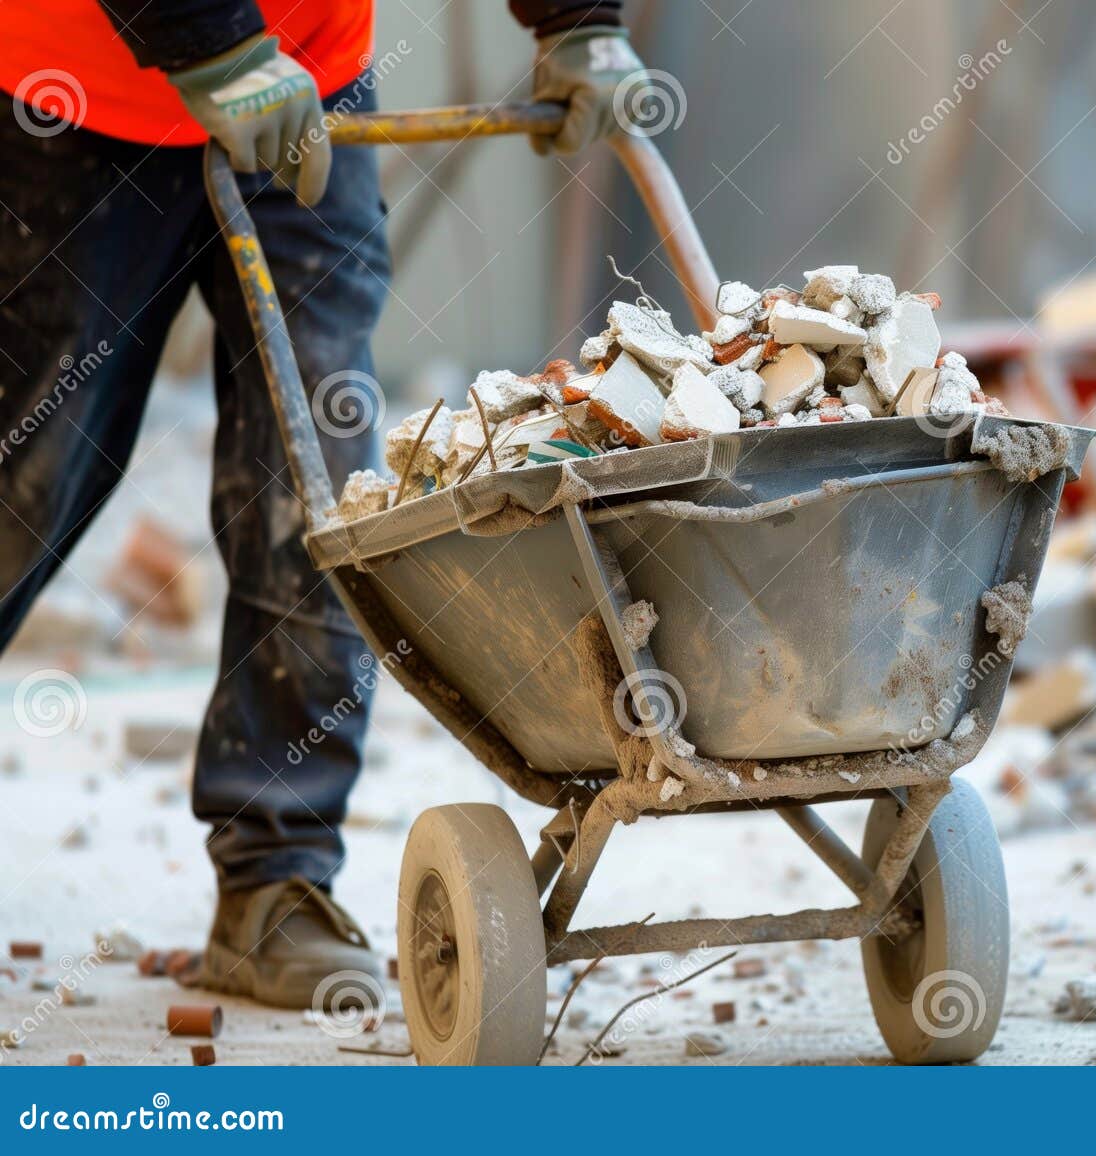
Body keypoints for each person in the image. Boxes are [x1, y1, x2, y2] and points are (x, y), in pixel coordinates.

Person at [0, 0, 639, 1009]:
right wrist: (205, 36)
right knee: (29, 480)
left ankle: (277, 877)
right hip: (77, 97)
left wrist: (578, 20)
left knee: (318, 484)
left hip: (306, 84)